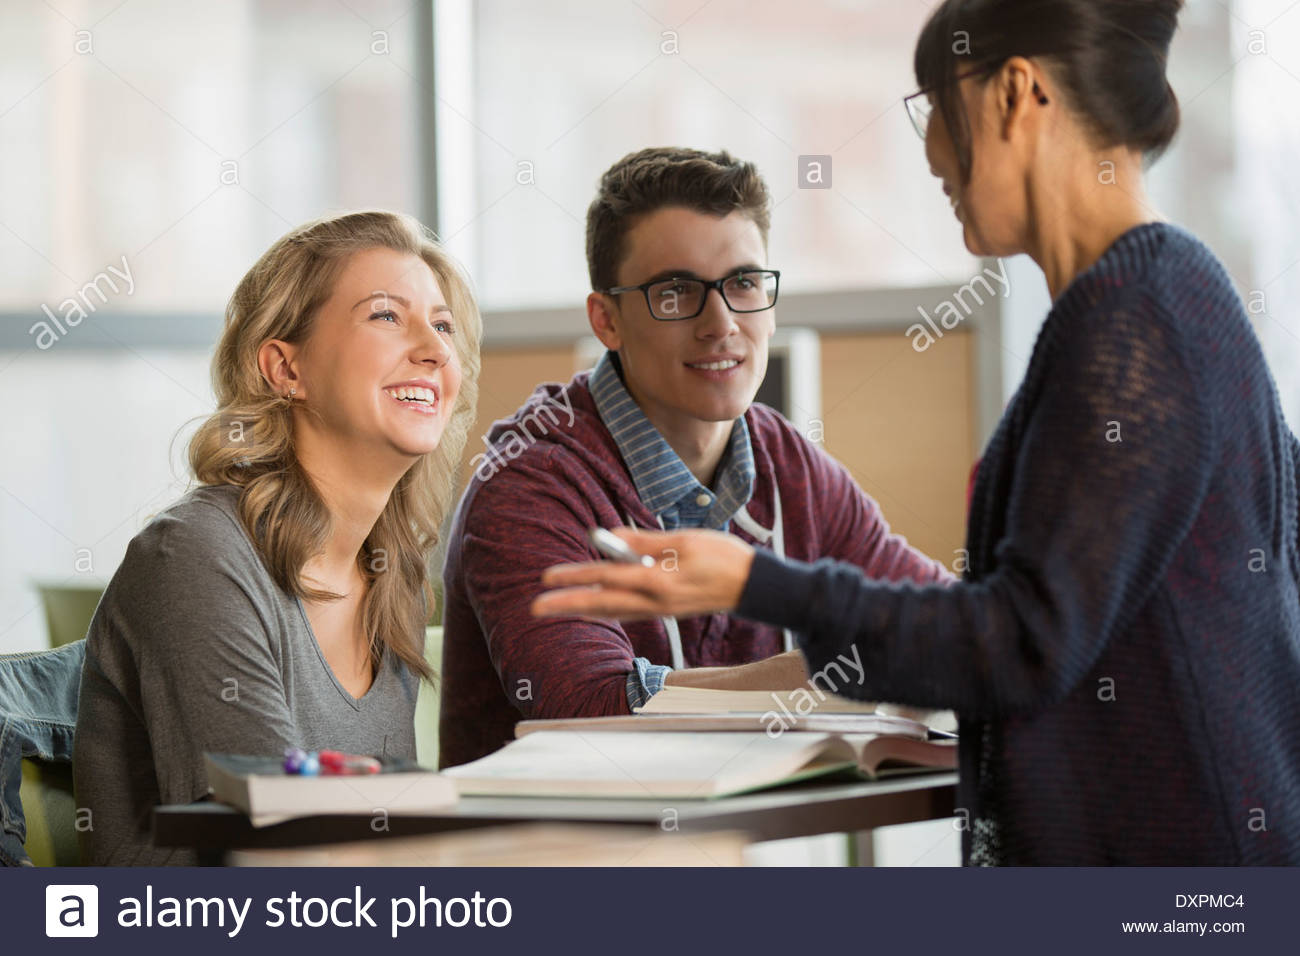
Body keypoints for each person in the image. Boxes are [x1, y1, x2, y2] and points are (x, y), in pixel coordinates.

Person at [534, 0, 1300, 865]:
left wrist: (761, 583)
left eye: (934, 105)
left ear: (1015, 95)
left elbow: (1017, 643)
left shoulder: (1132, 320)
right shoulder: (1172, 294)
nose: (931, 150)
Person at [438, 147, 952, 769]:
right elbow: (584, 708)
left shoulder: (790, 463)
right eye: (676, 292)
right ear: (607, 320)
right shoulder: (530, 482)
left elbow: (946, 624)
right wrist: (816, 671)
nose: (721, 323)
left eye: (743, 283)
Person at [74, 210, 482, 865]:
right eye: (386, 315)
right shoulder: (197, 557)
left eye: (442, 325)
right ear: (285, 369)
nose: (435, 350)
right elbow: (274, 855)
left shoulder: (392, 575)